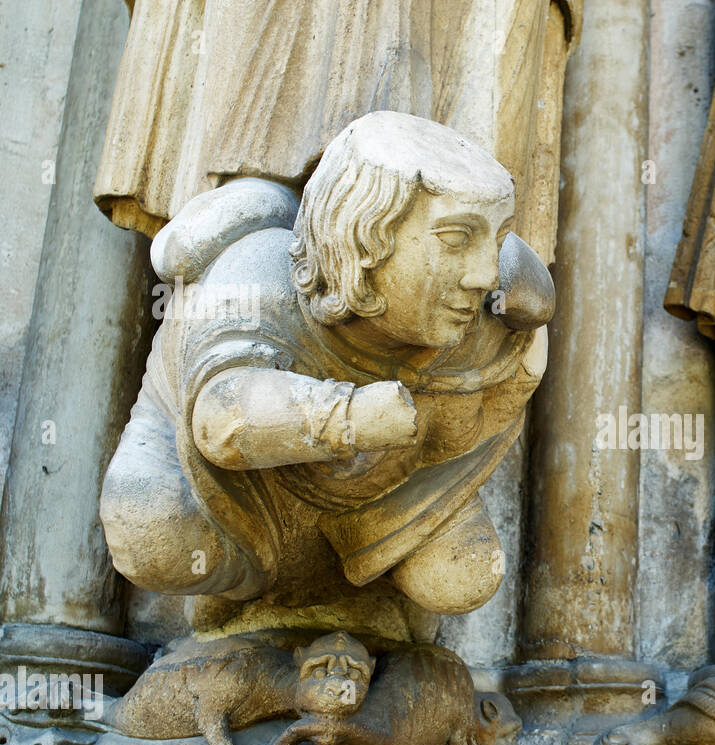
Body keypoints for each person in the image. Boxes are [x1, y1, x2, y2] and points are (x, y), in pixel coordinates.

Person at [100, 112, 551, 616]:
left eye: (497, 239)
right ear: (360, 239)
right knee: (151, 533)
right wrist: (355, 415)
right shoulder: (259, 277)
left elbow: (518, 346)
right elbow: (222, 420)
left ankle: (354, 546)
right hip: (233, 485)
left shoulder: (487, 319)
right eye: (454, 239)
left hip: (380, 485)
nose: (484, 276)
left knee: (463, 579)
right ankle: (262, 588)